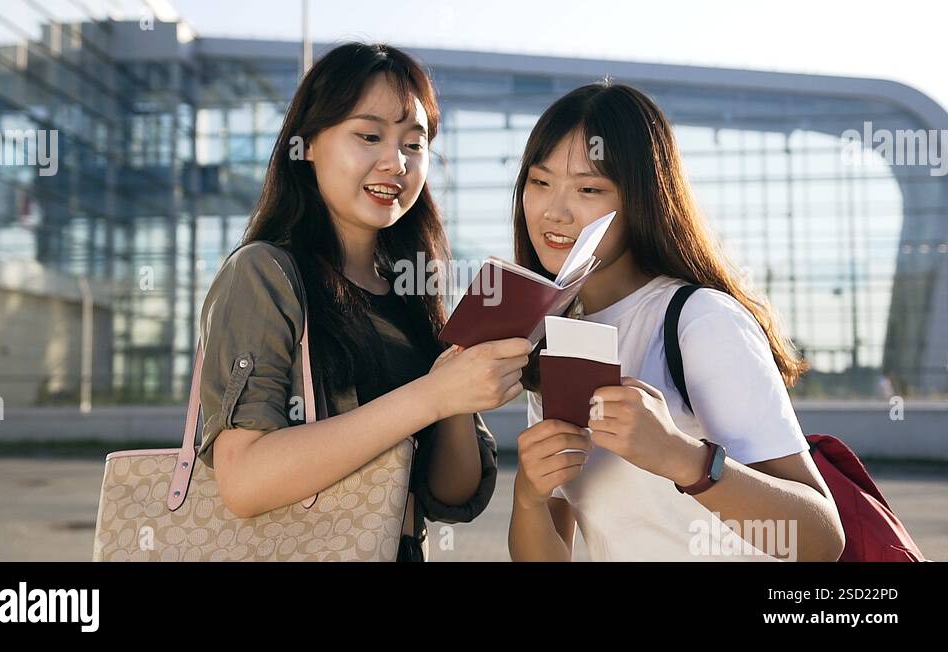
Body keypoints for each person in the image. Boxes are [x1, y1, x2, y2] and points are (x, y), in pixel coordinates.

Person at [197, 43, 530, 561]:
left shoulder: (412, 290)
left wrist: (459, 395)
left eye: (413, 144)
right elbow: (244, 480)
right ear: (306, 146)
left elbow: (451, 494)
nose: (394, 163)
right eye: (369, 136)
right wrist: (433, 396)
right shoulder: (264, 274)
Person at [507, 81, 845, 562]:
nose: (554, 211)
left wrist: (681, 458)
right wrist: (528, 496)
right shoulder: (558, 337)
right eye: (539, 182)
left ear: (640, 198)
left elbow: (820, 539)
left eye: (588, 188)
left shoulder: (700, 320)